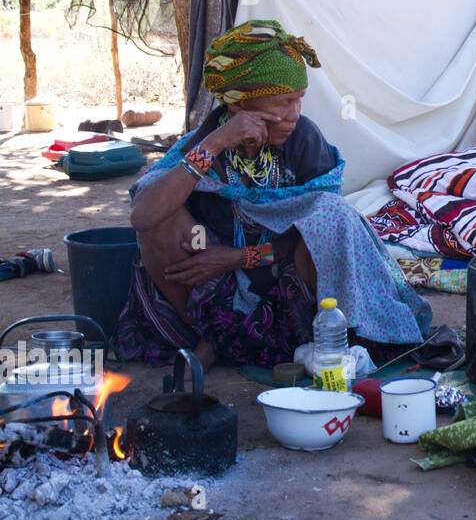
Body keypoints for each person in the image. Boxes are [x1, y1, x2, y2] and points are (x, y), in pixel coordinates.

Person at [119, 19, 431, 369]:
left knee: (332, 214)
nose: (294, 114)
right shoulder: (205, 143)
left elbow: (325, 237)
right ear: (239, 105)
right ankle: (211, 336)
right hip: (214, 285)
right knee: (162, 217)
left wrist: (238, 258)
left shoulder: (304, 143)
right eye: (284, 102)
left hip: (284, 283)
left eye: (299, 100)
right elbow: (142, 216)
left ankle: (319, 340)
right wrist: (216, 144)